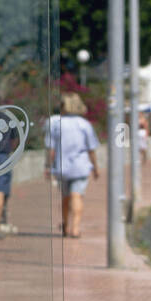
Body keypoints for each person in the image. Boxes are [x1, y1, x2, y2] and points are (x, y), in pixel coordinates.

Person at [46, 94, 99, 238]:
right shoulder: (84, 125)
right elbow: (91, 149)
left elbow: (51, 149)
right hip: (80, 166)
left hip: (62, 167)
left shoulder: (57, 124)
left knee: (65, 197)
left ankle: (65, 224)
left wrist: (48, 166)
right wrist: (95, 167)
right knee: (77, 196)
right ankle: (75, 228)